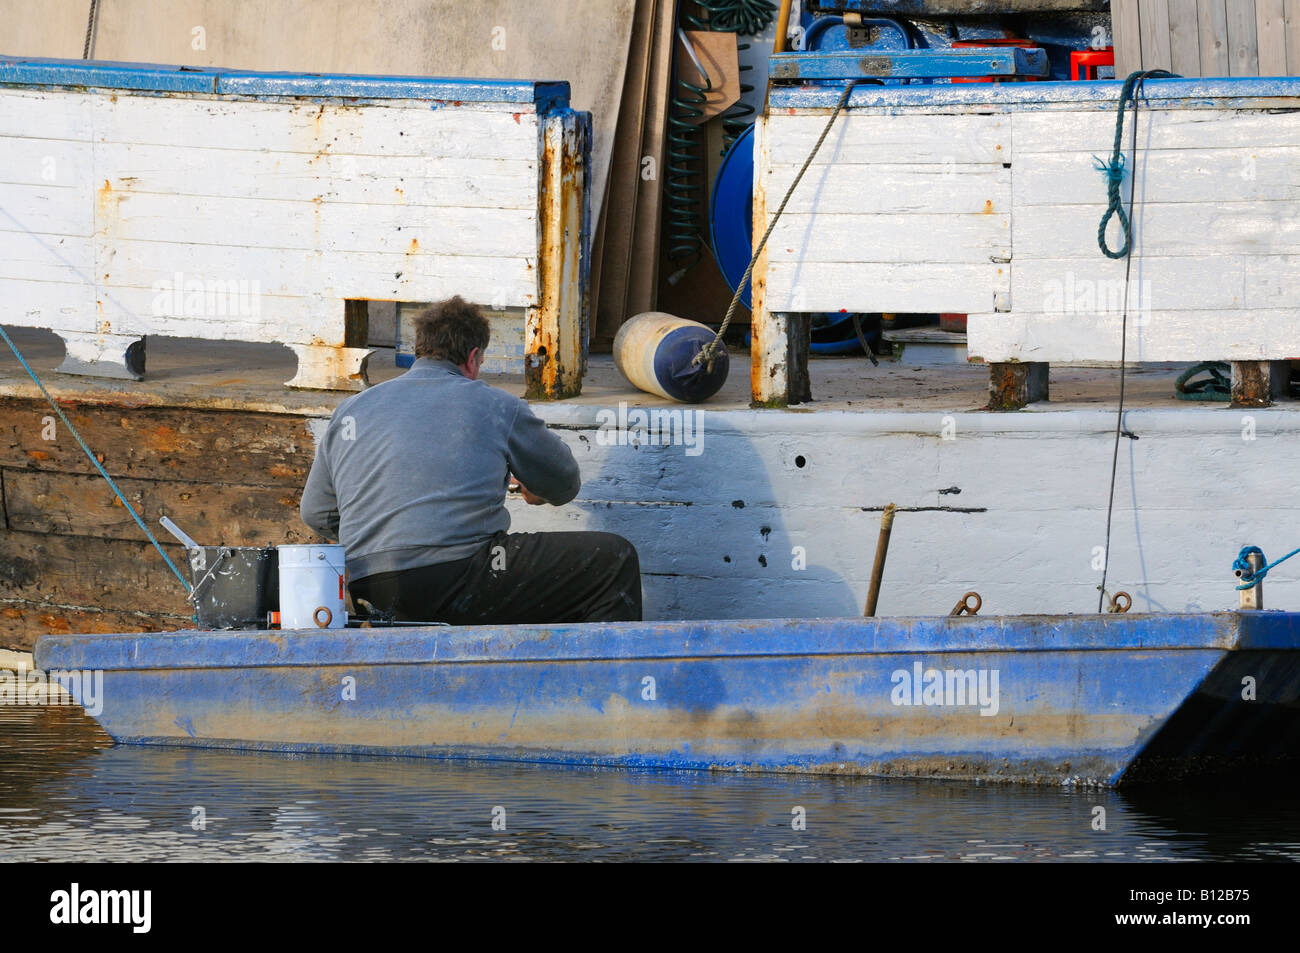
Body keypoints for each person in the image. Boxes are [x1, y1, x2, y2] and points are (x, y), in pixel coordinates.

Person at [300, 296, 642, 625]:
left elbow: (315, 513)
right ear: (473, 356)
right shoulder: (494, 404)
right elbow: (564, 483)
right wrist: (536, 491)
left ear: (420, 348)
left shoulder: (351, 410)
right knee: (613, 559)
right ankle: (604, 682)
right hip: (461, 577)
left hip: (369, 588)